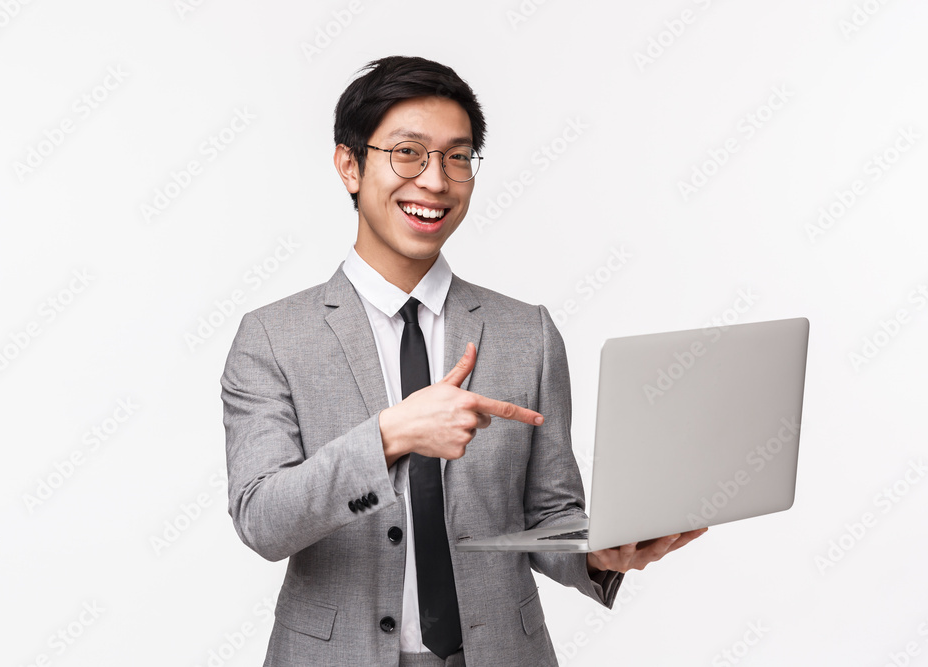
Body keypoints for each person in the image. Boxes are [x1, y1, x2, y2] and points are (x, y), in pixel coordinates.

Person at [221, 55, 705, 667]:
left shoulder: (526, 331)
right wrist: (390, 437)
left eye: (457, 156)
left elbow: (549, 512)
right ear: (350, 164)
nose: (435, 180)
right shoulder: (271, 337)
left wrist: (597, 553)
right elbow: (264, 520)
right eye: (408, 153)